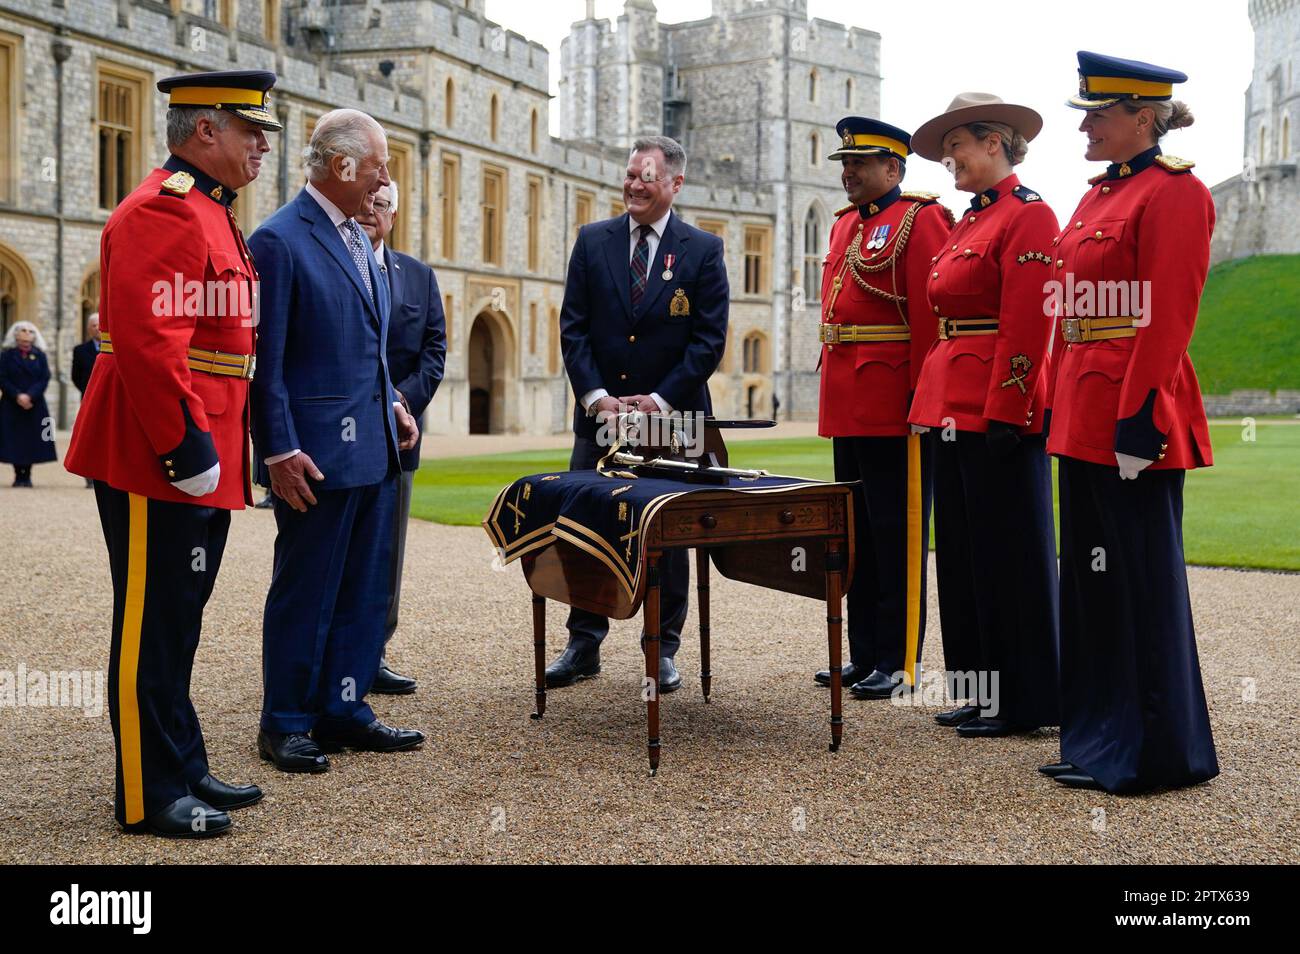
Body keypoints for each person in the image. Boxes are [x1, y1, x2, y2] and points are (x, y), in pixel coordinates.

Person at [63, 70, 280, 837]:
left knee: (179, 619)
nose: (263, 144)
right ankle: (147, 792)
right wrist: (184, 446)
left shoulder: (213, 213)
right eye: (250, 129)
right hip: (158, 449)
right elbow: (154, 348)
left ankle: (181, 761)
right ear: (204, 131)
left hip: (202, 443)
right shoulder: (165, 209)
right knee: (151, 623)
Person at [1042, 52, 1219, 793]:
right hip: (1082, 407)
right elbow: (1070, 311)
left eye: (1098, 113)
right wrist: (1052, 397)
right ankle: (1097, 735)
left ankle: (1156, 752)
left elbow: (1168, 313)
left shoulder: (1175, 193)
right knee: (1090, 586)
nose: (1083, 124)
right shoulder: (1093, 199)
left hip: (1129, 409)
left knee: (1139, 586)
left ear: (1141, 118)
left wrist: (1140, 417)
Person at [248, 109, 423, 773]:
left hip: (375, 447)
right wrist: (276, 449)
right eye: (377, 163)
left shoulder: (358, 237)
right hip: (313, 459)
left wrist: (396, 407)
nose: (385, 176)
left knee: (361, 592)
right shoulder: (279, 241)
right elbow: (267, 363)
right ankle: (286, 723)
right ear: (343, 165)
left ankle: (344, 708)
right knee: (307, 592)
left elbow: (368, 349)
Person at [548, 135, 728, 693]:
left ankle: (663, 646)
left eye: (646, 177)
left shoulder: (703, 249)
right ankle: (584, 641)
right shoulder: (591, 240)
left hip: (673, 421)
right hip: (600, 417)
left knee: (669, 536)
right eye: (630, 175)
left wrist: (657, 401)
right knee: (585, 526)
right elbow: (573, 328)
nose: (633, 185)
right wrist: (596, 397)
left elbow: (708, 342)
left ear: (675, 184)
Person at [908, 93, 1061, 737]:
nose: (950, 160)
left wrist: (1010, 406)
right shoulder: (971, 220)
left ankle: (1027, 700)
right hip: (950, 400)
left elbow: (1030, 324)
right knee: (965, 558)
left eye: (958, 147)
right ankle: (978, 689)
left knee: (1011, 555)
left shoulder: (1030, 216)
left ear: (994, 142)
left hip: (997, 408)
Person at [810, 117, 951, 699]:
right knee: (857, 533)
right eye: (845, 164)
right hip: (848, 396)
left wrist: (924, 394)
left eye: (860, 164)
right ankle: (864, 652)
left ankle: (899, 661)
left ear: (893, 168)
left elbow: (929, 318)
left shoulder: (921, 218)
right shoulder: (847, 225)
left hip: (894, 400)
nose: (848, 173)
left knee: (897, 533)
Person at [356, 180, 447, 695]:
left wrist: (399, 404)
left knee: (388, 553)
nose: (374, 211)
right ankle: (327, 655)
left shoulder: (418, 276)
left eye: (383, 204)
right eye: (368, 199)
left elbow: (433, 354)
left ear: (393, 214)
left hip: (400, 436)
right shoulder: (334, 261)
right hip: (341, 434)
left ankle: (372, 654)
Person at [0, 321, 58, 486]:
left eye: (30, 331)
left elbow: (44, 378)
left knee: (31, 441)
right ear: (15, 335)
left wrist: (30, 396)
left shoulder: (40, 355)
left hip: (35, 404)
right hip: (12, 404)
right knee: (14, 440)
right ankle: (18, 474)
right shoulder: (7, 355)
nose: (26, 335)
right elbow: (2, 377)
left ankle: (28, 474)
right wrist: (18, 395)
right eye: (22, 331)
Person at [71, 313, 102, 487]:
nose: (97, 328)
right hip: (88, 399)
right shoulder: (80, 350)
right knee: (89, 438)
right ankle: (89, 476)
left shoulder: (116, 347)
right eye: (93, 325)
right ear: (88, 328)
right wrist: (87, 391)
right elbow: (76, 376)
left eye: (99, 324)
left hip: (109, 400)